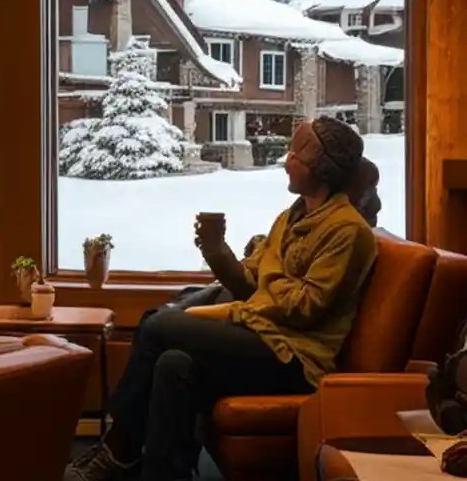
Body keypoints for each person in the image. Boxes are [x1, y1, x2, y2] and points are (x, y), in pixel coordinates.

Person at [66, 117, 380, 481]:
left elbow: (305, 308)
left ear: (321, 167)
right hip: (263, 333)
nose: (286, 159)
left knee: (157, 325)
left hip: (297, 357)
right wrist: (218, 253)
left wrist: (270, 267)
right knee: (173, 364)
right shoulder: (291, 217)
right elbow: (252, 287)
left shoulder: (348, 231)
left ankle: (119, 451)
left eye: (296, 153)